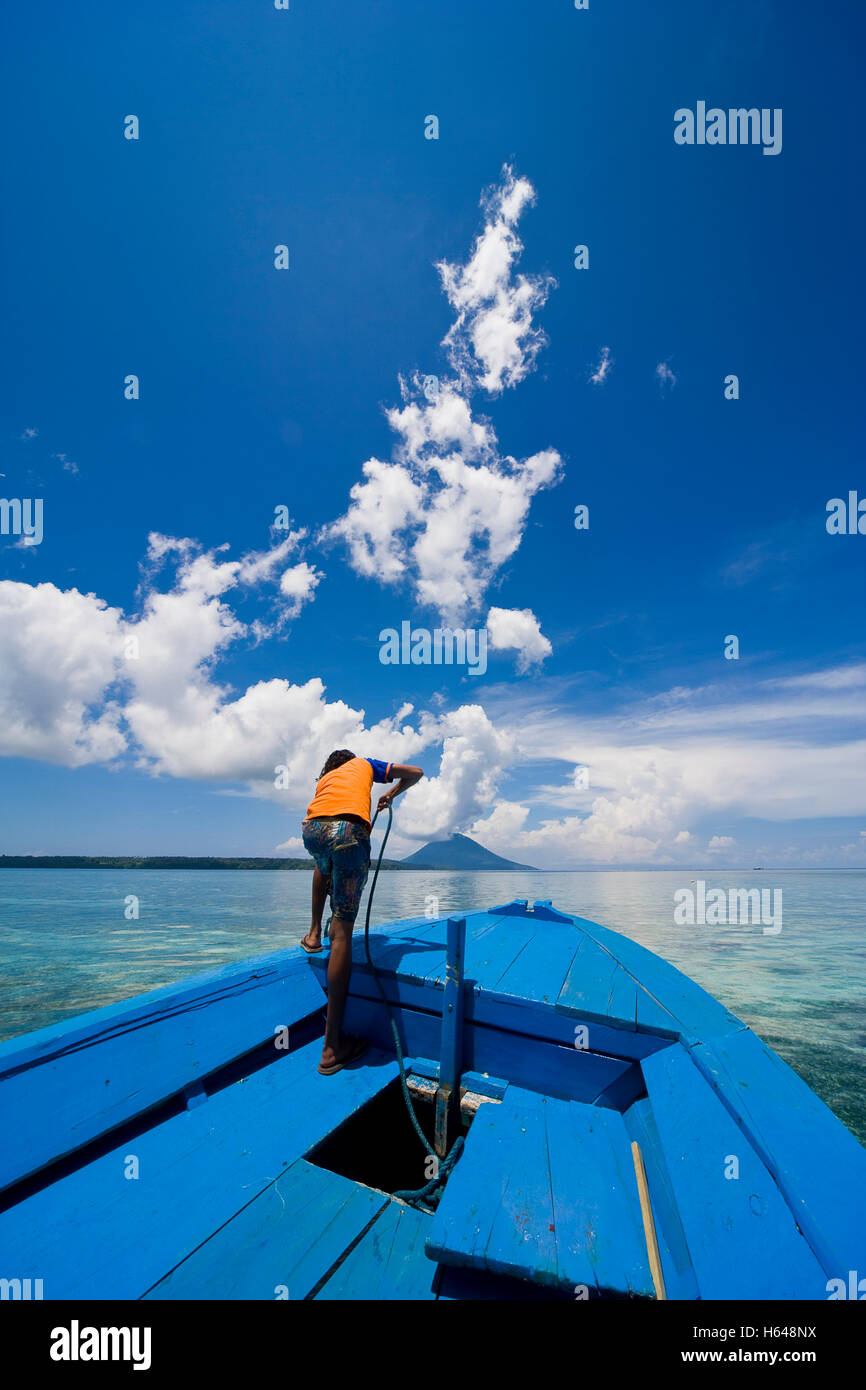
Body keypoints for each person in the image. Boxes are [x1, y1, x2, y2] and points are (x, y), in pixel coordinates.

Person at [300, 749, 423, 1075]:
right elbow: (415, 772)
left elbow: (328, 825)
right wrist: (391, 793)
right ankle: (331, 1048)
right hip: (349, 832)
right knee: (342, 936)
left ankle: (312, 934)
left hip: (311, 831)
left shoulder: (327, 779)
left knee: (323, 861)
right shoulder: (365, 764)